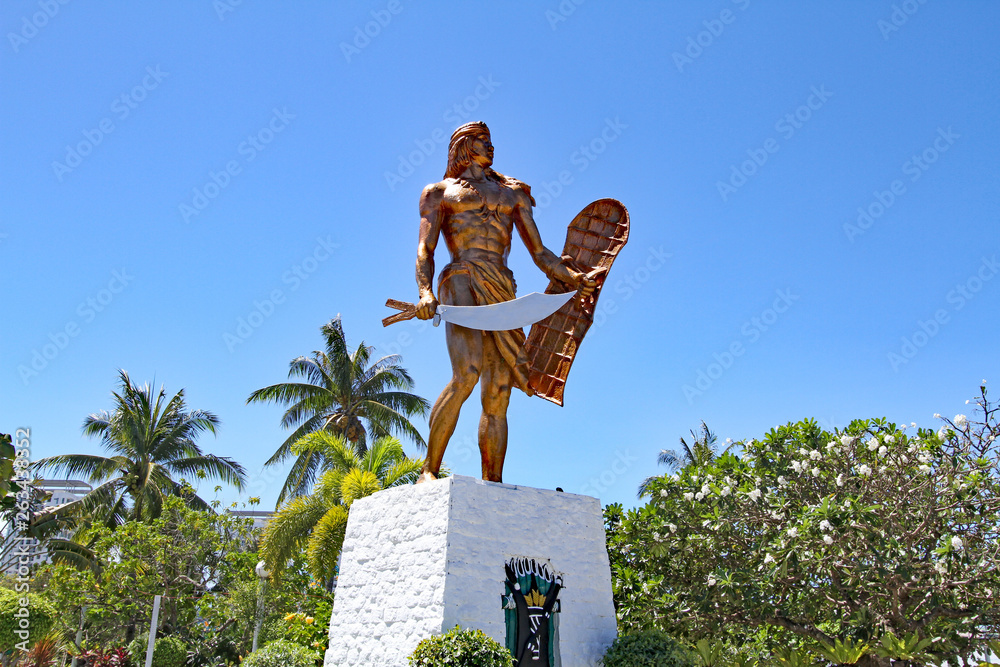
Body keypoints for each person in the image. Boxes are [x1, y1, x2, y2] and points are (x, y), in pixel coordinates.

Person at [413, 121, 595, 483]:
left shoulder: (513, 194)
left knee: (498, 391)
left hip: (502, 286)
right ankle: (428, 470)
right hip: (461, 277)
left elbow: (540, 253)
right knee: (467, 373)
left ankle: (492, 483)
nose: (491, 147)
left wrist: (573, 279)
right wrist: (425, 292)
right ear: (465, 146)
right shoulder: (439, 192)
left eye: (491, 141)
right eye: (483, 141)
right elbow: (425, 248)